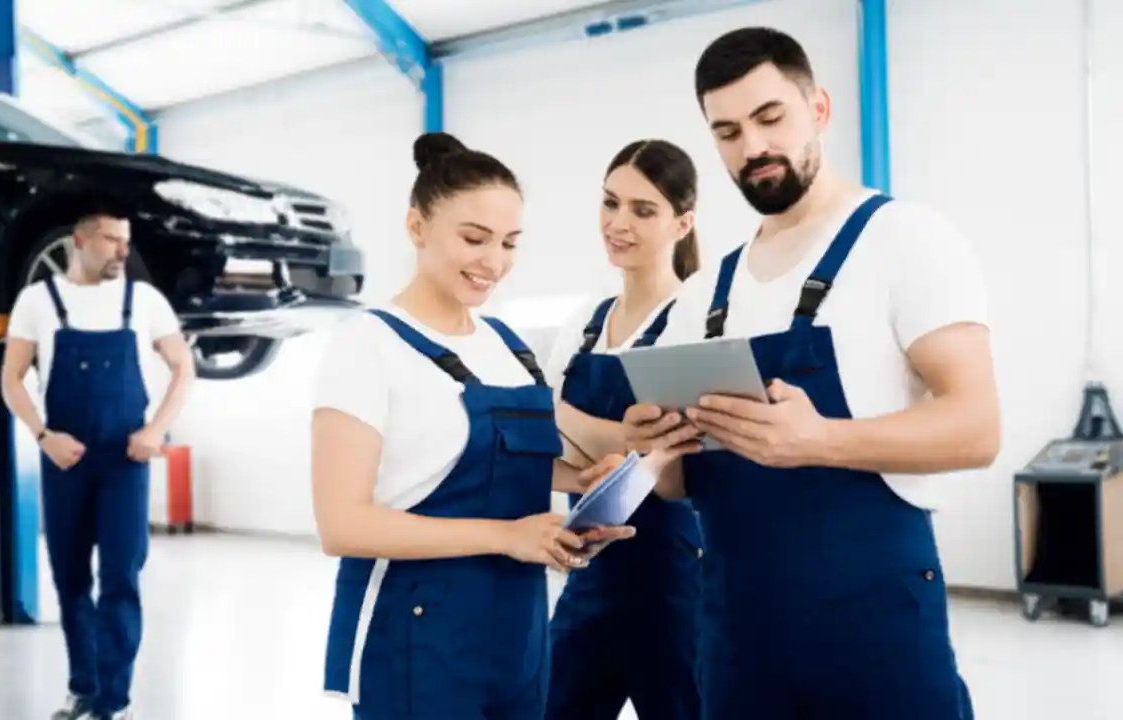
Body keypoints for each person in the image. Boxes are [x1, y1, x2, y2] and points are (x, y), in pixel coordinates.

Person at [587, 26, 1001, 719]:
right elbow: (687, 477)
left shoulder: (905, 239)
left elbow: (977, 426)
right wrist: (650, 457)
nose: (752, 147)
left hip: (875, 637)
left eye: (770, 117)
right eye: (727, 131)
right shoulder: (704, 297)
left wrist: (817, 441)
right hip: (736, 643)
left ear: (820, 109)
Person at [311, 132, 634, 720]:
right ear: (416, 227)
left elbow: (513, 465)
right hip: (415, 637)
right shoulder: (367, 344)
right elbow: (342, 524)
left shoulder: (507, 346)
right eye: (474, 238)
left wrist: (590, 484)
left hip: (518, 635)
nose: (495, 262)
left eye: (510, 243)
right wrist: (508, 536)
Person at [1, 197, 196, 720]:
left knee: (121, 580)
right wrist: (43, 436)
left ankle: (114, 703)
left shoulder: (144, 299)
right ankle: (82, 688)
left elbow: (184, 368)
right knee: (69, 579)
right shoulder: (38, 301)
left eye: (126, 243)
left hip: (124, 460)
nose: (121, 252)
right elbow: (11, 379)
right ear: (80, 240)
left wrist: (156, 429)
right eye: (112, 240)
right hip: (63, 458)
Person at [542, 139, 704, 720]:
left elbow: (678, 453)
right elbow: (551, 434)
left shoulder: (697, 318)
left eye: (643, 209)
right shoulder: (585, 322)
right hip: (588, 570)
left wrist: (565, 416)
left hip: (674, 580)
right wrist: (625, 441)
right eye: (610, 204)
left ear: (682, 222)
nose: (618, 223)